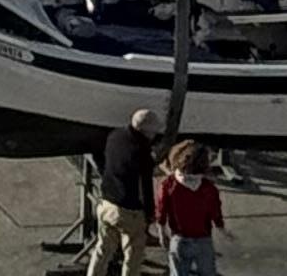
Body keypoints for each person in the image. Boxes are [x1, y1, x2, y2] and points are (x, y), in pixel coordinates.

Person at [88, 108, 159, 276]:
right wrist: (150, 214)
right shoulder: (142, 153)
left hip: (106, 204)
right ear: (147, 131)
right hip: (129, 211)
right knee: (133, 256)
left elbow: (102, 158)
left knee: (102, 250)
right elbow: (146, 186)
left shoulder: (115, 136)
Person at [155, 137, 223, 276]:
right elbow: (215, 210)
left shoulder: (169, 185)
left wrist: (162, 232)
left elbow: (161, 210)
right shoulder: (208, 188)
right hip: (203, 239)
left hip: (179, 239)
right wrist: (220, 226)